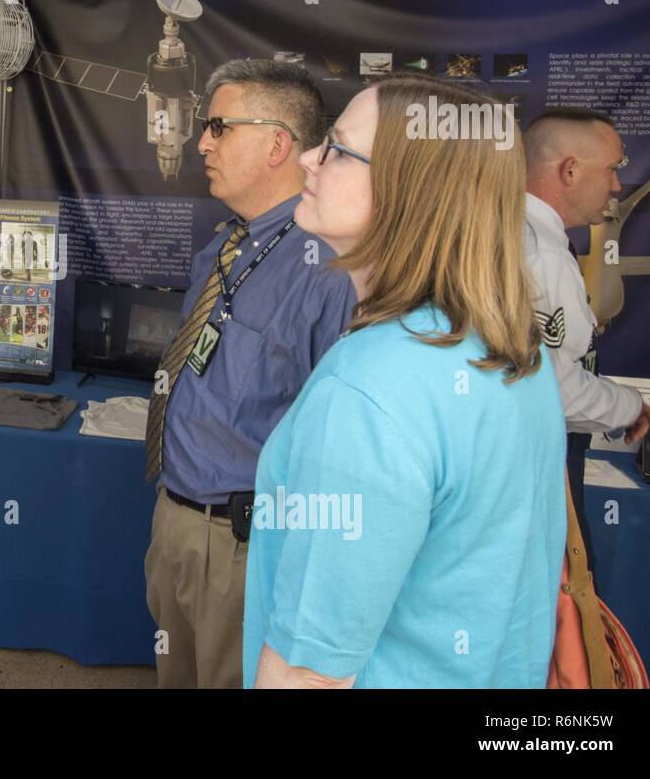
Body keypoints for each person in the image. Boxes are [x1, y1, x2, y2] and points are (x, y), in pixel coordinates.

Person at [243, 76, 566, 688]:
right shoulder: (513, 348)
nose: (309, 158)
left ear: (409, 192)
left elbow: (308, 672)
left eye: (337, 149)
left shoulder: (366, 393)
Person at [143, 59, 357, 688]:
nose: (201, 142)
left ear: (277, 144)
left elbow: (338, 442)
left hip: (246, 547)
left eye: (218, 127)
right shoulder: (221, 249)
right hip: (175, 523)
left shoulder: (329, 270)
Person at [523, 108, 650, 572]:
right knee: (564, 602)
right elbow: (546, 388)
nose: (618, 185)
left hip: (533, 455)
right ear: (571, 170)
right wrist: (627, 407)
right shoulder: (537, 251)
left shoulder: (528, 237)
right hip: (537, 461)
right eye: (613, 169)